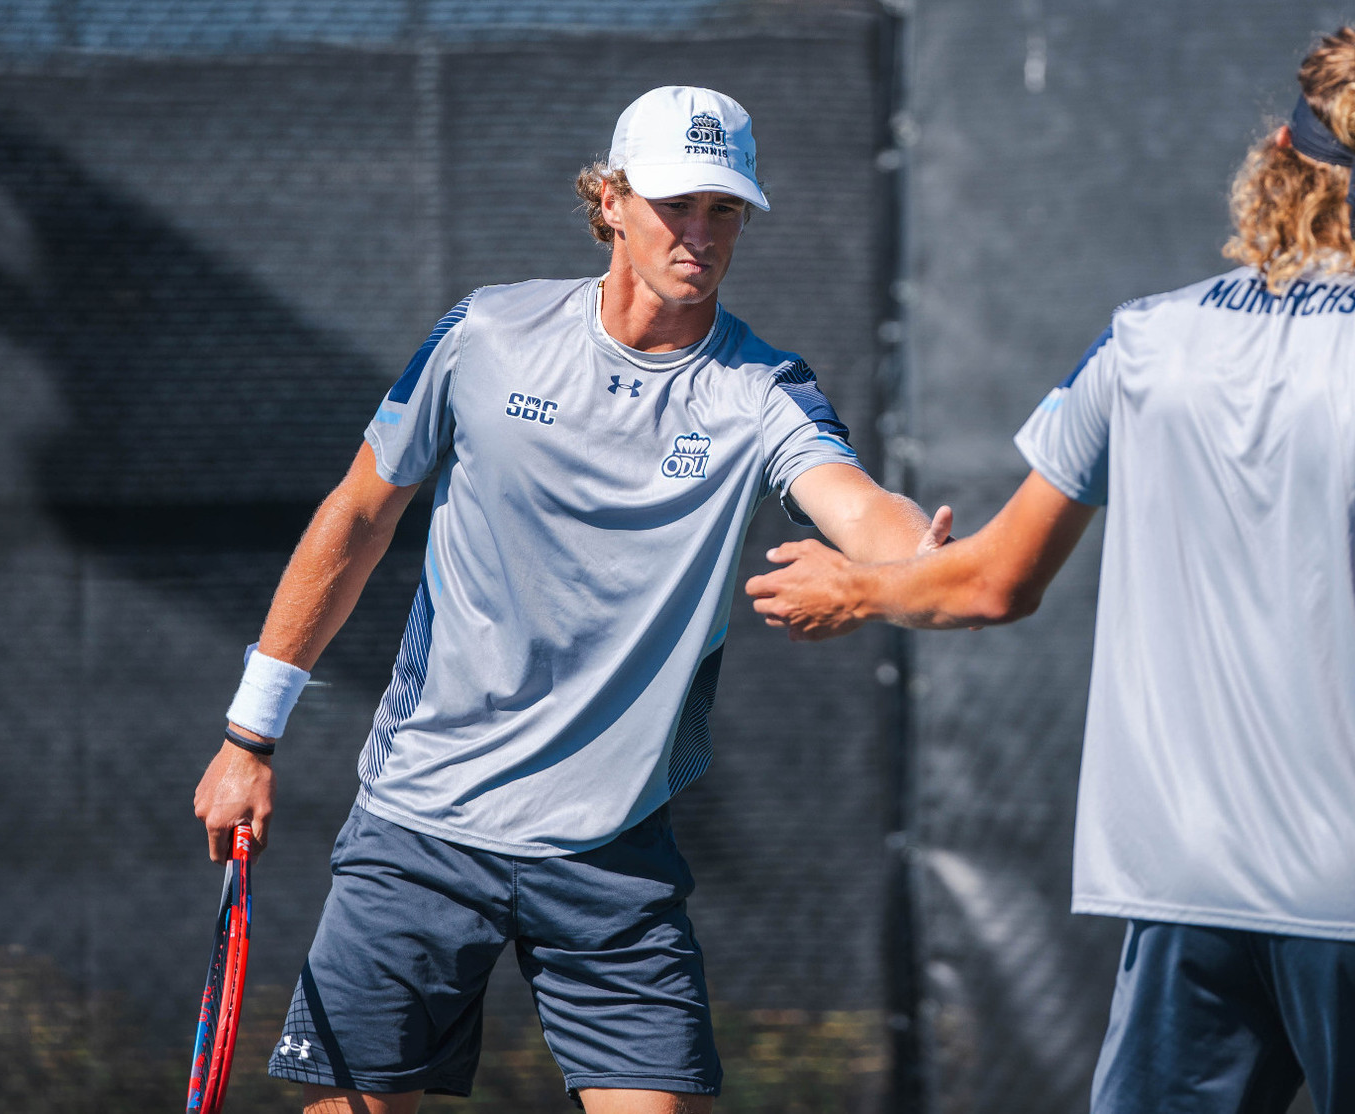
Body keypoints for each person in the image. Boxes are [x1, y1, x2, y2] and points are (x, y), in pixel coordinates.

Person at [745, 28, 1355, 1114]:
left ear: (1277, 159)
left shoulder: (1142, 342)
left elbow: (991, 581)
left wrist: (861, 587)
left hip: (1181, 896)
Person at [192, 85, 951, 1114]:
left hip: (614, 852)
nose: (700, 234)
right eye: (675, 204)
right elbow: (359, 514)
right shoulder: (486, 333)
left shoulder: (763, 389)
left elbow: (860, 507)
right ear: (611, 201)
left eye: (724, 209)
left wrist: (911, 567)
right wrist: (250, 734)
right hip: (422, 828)